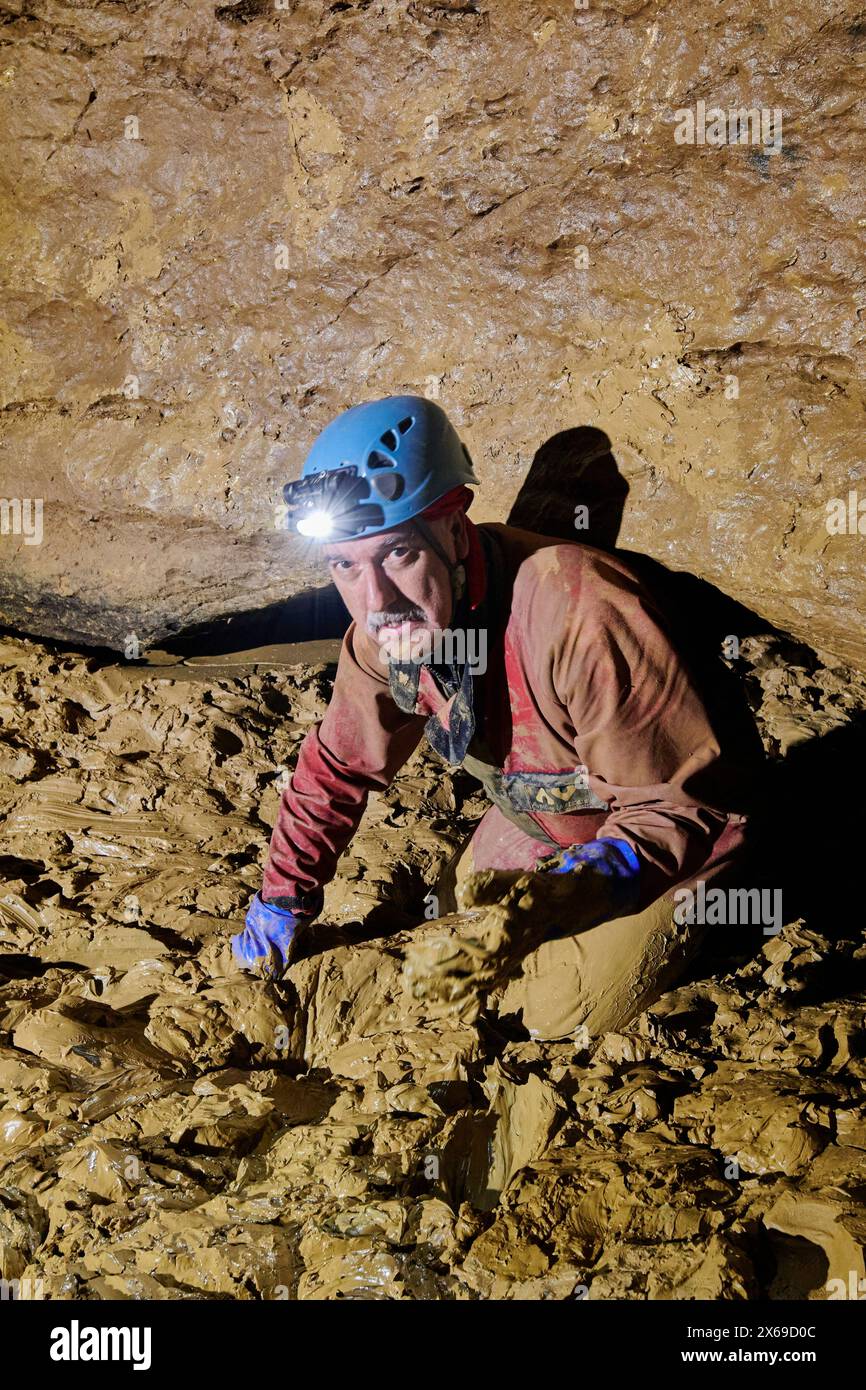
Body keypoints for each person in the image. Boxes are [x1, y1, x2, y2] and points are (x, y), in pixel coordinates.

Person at [231, 395, 763, 1039]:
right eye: (345, 565)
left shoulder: (580, 611)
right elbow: (339, 767)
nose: (376, 600)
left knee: (554, 1013)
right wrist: (284, 897)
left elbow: (678, 808)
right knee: (456, 918)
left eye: (398, 554)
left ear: (455, 531)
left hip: (674, 839)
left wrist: (574, 889)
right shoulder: (387, 628)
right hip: (546, 815)